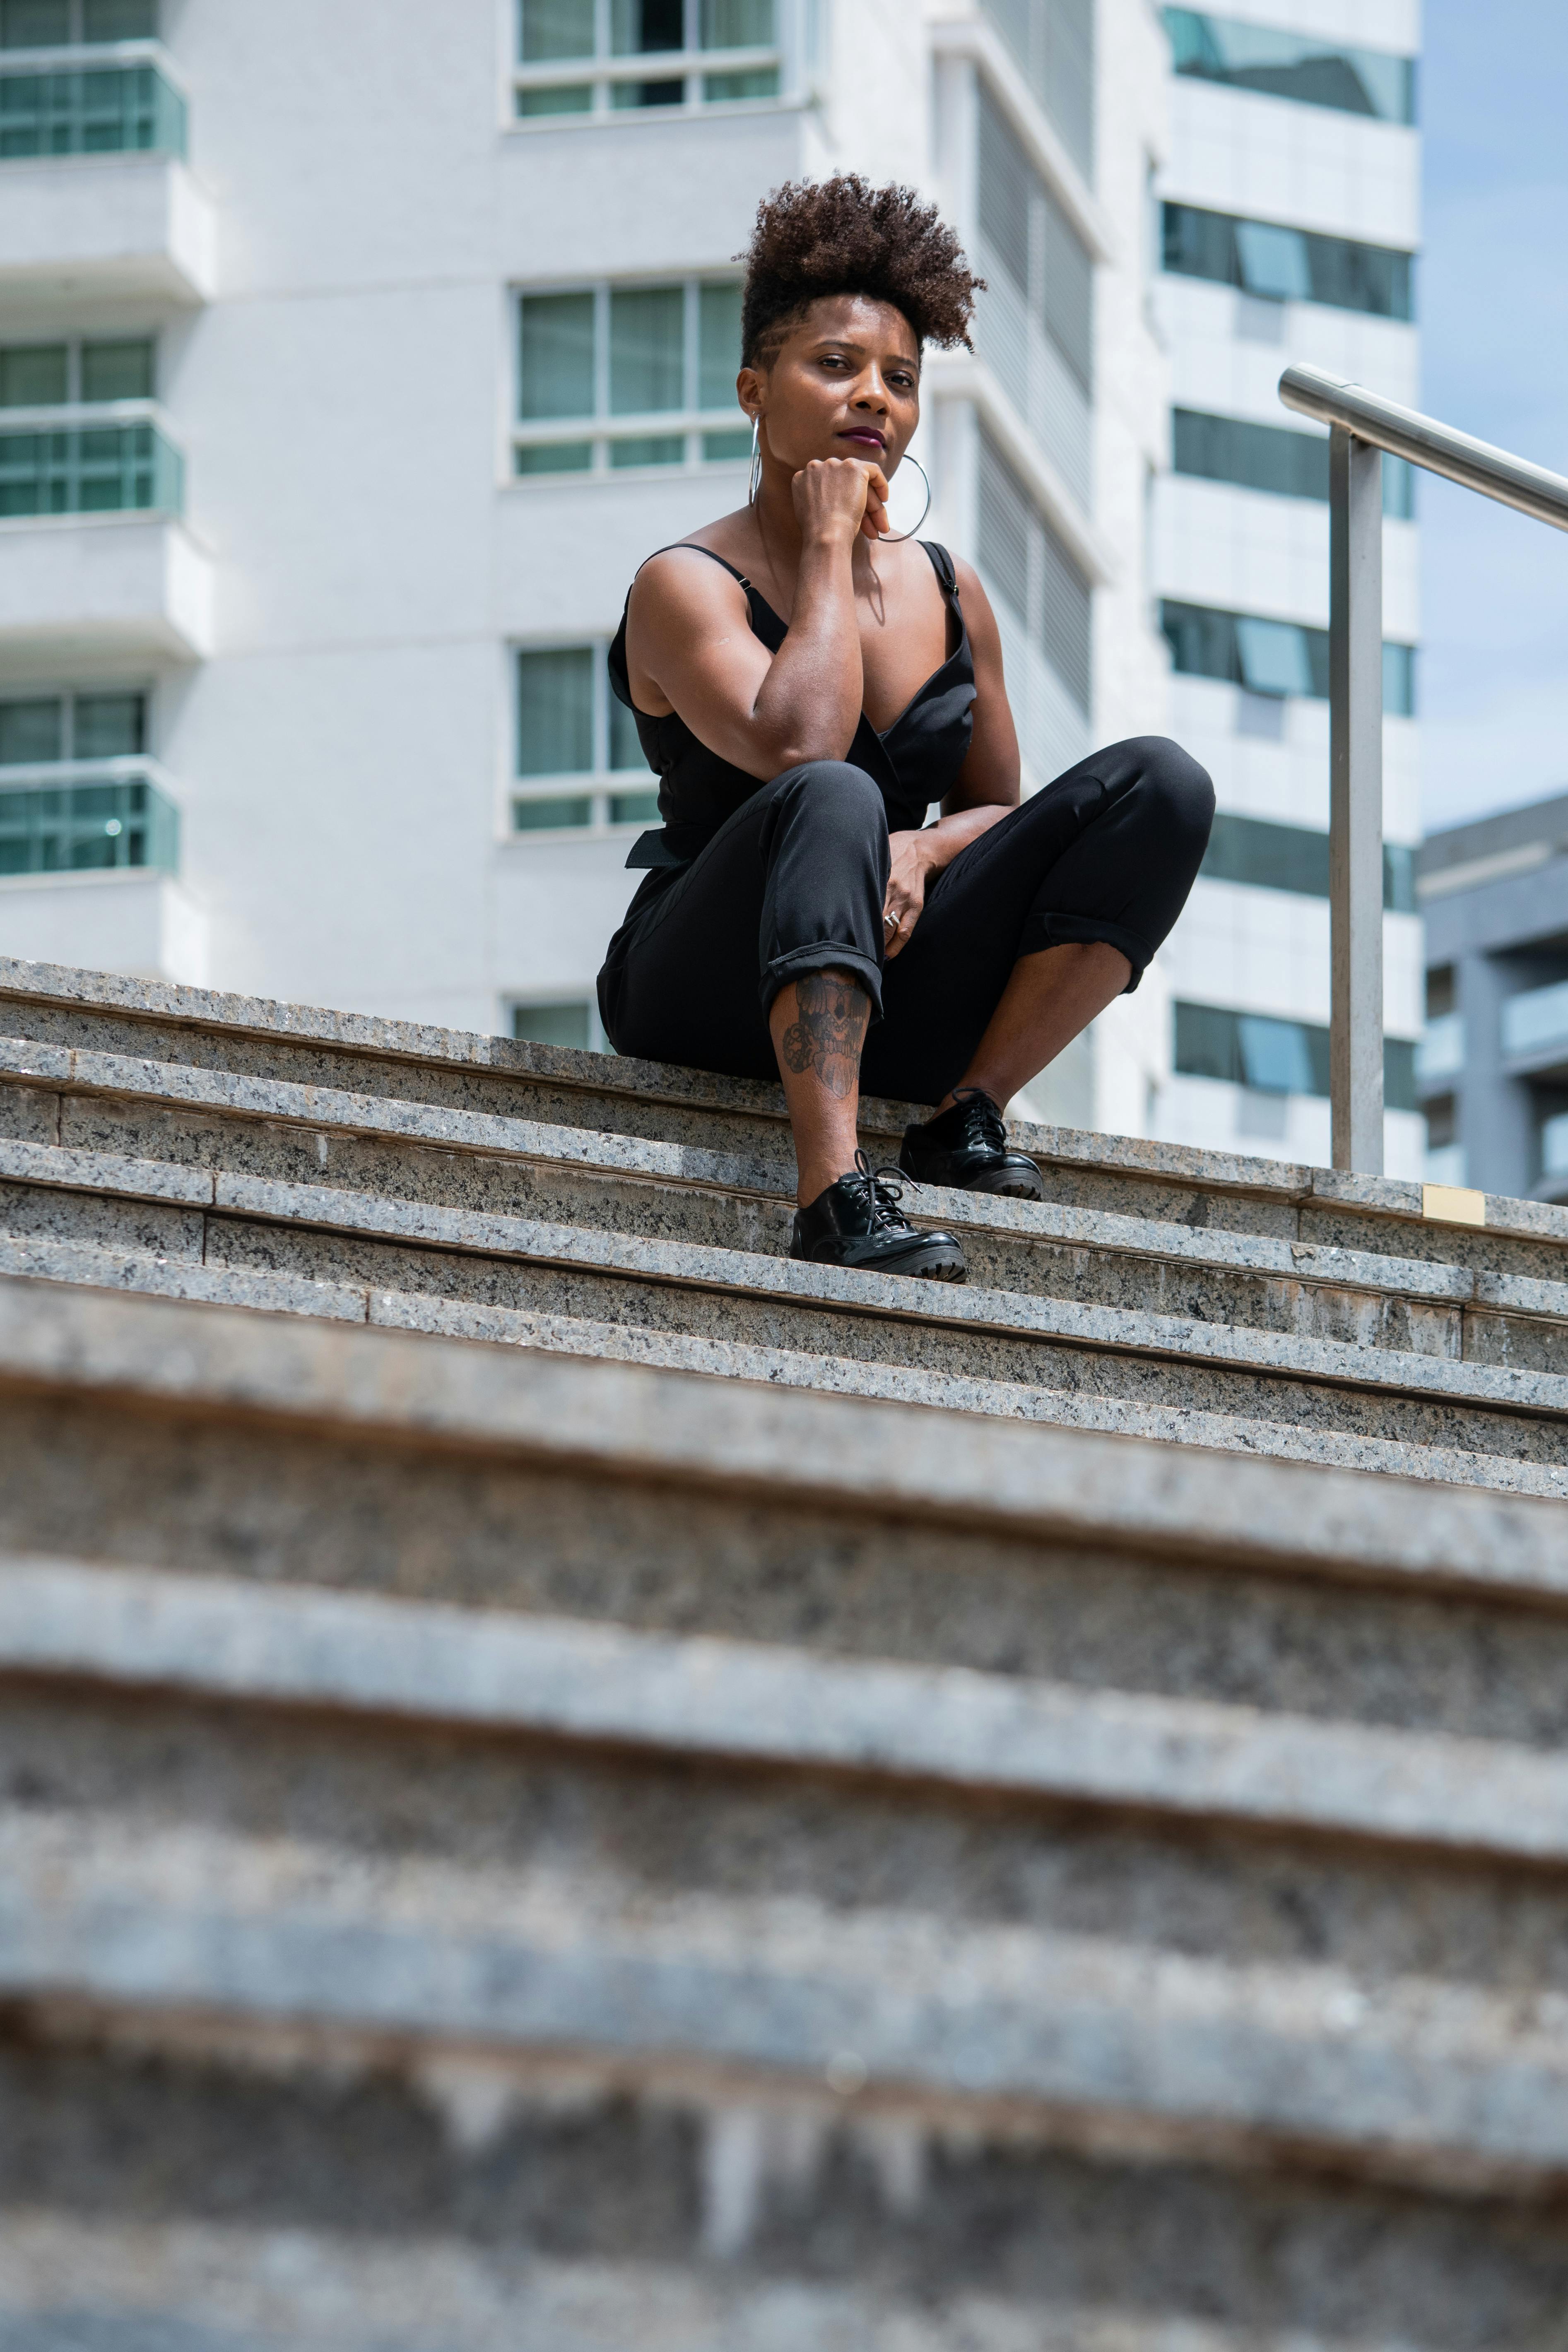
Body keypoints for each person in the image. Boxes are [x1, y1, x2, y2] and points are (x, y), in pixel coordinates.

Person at [598, 174, 1214, 1283]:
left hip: (885, 983)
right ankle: (832, 1195)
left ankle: (963, 1113)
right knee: (834, 791)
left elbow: (998, 807)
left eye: (899, 378)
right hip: (701, 985)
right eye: (832, 366)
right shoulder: (682, 583)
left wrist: (926, 847)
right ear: (755, 388)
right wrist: (830, 549)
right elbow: (799, 744)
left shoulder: (948, 587)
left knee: (1159, 783)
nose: (872, 398)